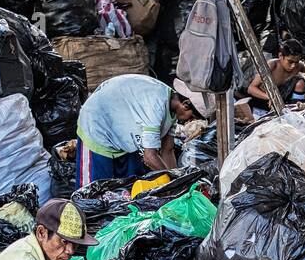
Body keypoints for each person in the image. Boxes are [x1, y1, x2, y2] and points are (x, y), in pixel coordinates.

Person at [75, 74, 211, 188]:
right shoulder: (157, 105)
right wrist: (174, 183)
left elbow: (167, 150)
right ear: (185, 104)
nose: (189, 121)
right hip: (97, 127)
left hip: (122, 135)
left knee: (126, 190)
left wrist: (178, 179)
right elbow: (150, 157)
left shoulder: (172, 110)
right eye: (191, 117)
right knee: (94, 192)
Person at [245, 36, 305, 111]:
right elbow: (251, 88)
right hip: (261, 99)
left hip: (282, 99)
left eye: (296, 62)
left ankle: (297, 108)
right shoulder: (271, 65)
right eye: (290, 61)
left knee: (300, 81)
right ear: (281, 56)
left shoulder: (297, 66)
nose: (293, 66)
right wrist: (271, 97)